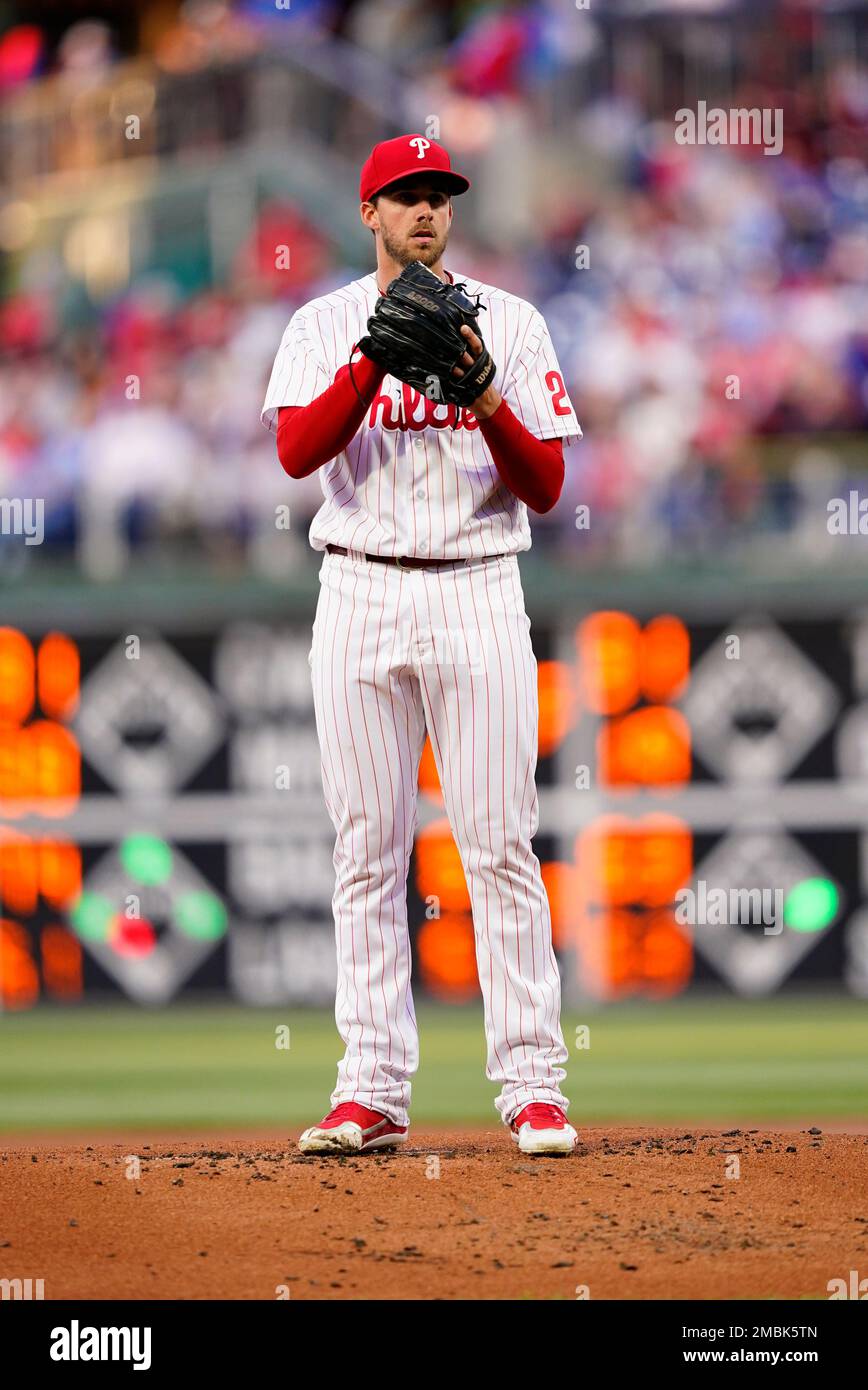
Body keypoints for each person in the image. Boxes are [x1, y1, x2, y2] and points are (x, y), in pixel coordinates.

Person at [261, 134, 582, 1156]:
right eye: (404, 195)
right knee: (367, 852)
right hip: (355, 585)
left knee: (498, 845)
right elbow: (297, 453)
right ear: (368, 213)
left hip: (478, 584)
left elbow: (545, 486)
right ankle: (371, 1089)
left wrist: (483, 390)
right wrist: (371, 360)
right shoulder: (321, 324)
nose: (426, 210)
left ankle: (533, 1085)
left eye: (439, 194)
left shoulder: (514, 324)